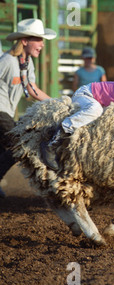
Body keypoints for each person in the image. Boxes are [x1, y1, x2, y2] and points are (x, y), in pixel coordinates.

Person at [0, 18, 56, 198]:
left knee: (3, 149)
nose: (42, 44)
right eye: (38, 40)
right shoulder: (7, 61)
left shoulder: (27, 62)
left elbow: (32, 88)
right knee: (19, 144)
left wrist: (56, 103)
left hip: (7, 111)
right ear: (24, 41)